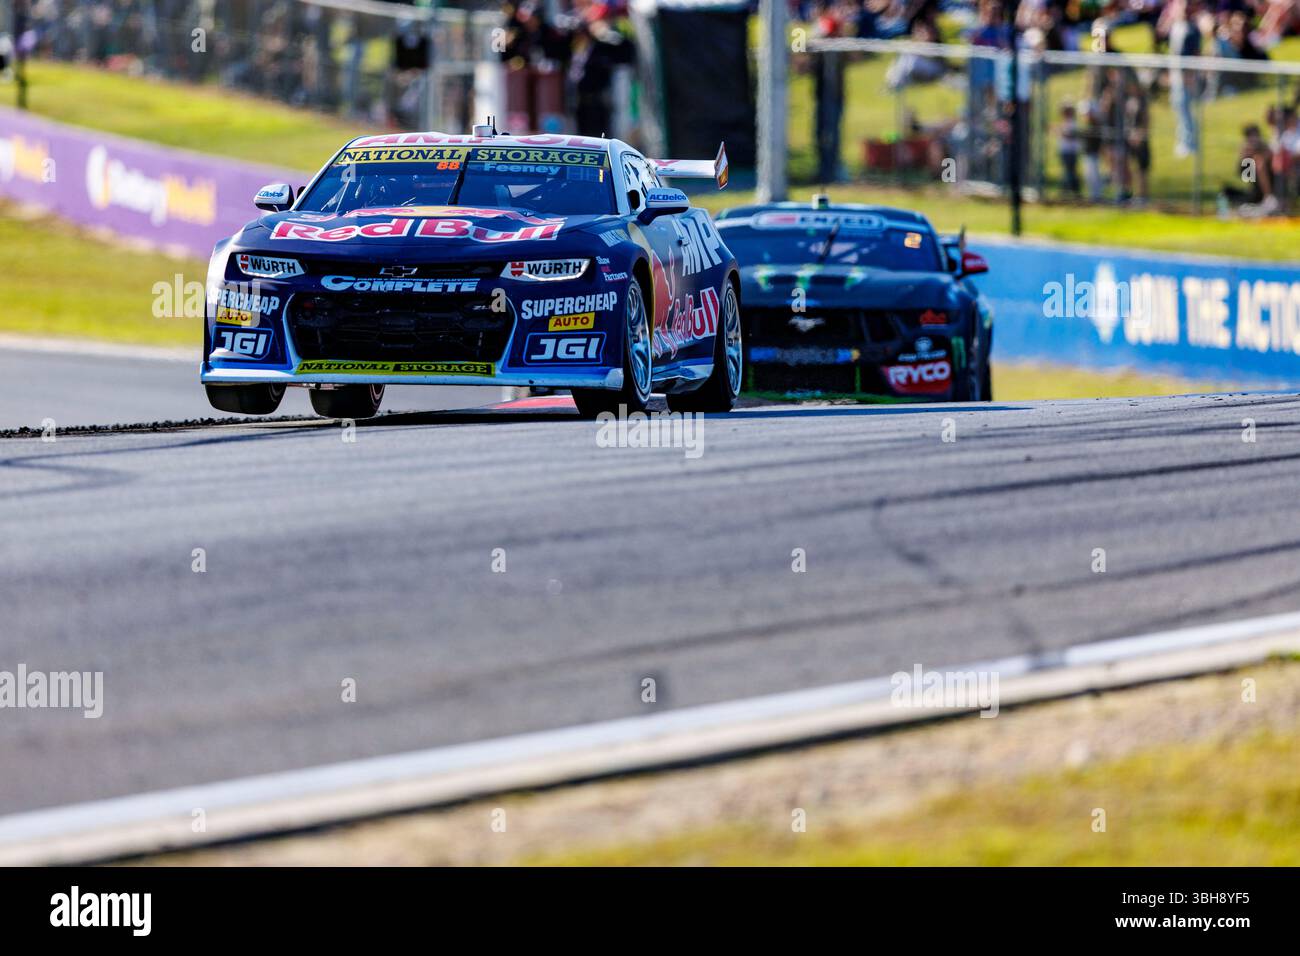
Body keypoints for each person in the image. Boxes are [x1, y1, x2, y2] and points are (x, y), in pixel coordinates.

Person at [1058, 103, 1082, 197]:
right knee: (1068, 171)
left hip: (1071, 151)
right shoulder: (1066, 122)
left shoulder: (1072, 123)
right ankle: (1068, 190)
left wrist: (1061, 132)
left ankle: (1071, 191)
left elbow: (1070, 136)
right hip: (1066, 151)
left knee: (1070, 172)